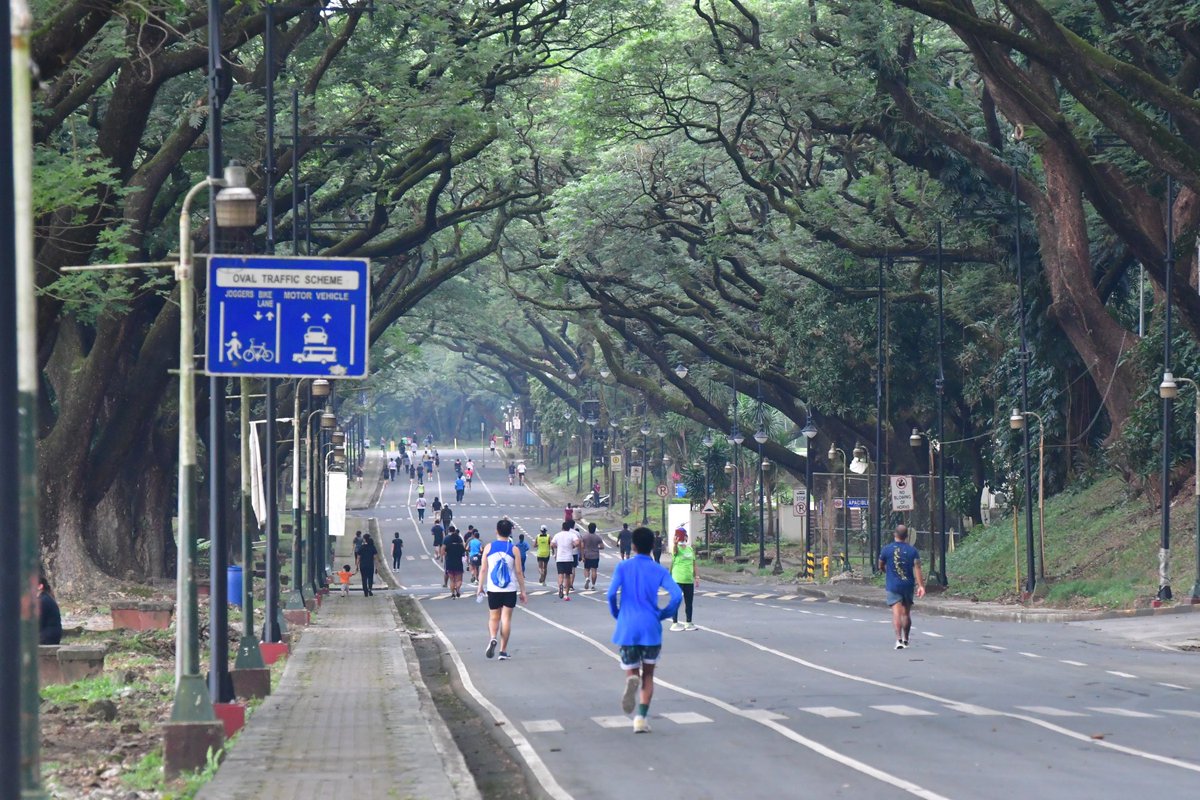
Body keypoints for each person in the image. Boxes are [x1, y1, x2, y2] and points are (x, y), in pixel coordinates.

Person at [607, 527, 682, 733]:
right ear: (653, 546)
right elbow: (677, 595)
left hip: (628, 627)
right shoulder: (659, 570)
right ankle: (640, 718)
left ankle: (632, 678)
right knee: (648, 675)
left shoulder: (623, 567)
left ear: (633, 545)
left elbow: (611, 594)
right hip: (651, 627)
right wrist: (664, 614)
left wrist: (617, 614)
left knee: (632, 670)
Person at [476, 519, 528, 660]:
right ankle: (503, 651)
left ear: (496, 531)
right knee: (506, 619)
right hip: (509, 589)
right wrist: (523, 590)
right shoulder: (514, 549)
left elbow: (484, 569)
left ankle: (493, 637)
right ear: (510, 532)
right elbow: (518, 572)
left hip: (493, 589)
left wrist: (480, 586)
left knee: (494, 617)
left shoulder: (488, 547)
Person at [879, 524, 926, 649]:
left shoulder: (886, 549)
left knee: (896, 613)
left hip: (893, 585)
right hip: (908, 585)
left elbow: (881, 565)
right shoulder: (912, 550)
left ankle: (898, 640)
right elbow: (917, 568)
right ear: (906, 536)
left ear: (895, 534)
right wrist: (921, 586)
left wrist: (886, 570)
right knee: (906, 613)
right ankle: (906, 639)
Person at [669, 528, 698, 631]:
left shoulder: (690, 549)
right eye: (682, 535)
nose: (684, 537)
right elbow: (675, 552)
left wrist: (696, 577)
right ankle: (675, 623)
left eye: (685, 535)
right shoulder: (676, 549)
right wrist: (675, 543)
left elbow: (694, 563)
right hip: (677, 579)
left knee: (689, 602)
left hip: (689, 580)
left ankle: (688, 622)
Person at [551, 522, 581, 600]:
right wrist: (573, 545)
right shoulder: (572, 535)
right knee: (567, 576)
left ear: (562, 527)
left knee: (560, 574)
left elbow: (552, 544)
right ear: (569, 528)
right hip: (569, 558)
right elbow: (578, 542)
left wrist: (557, 546)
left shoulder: (557, 535)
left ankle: (560, 585)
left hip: (560, 558)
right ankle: (566, 595)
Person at [580, 521, 606, 591]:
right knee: (594, 570)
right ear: (595, 529)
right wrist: (596, 548)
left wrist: (582, 556)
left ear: (588, 528)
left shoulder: (584, 537)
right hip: (595, 555)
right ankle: (593, 585)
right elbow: (602, 547)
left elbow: (582, 547)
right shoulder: (598, 537)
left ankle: (587, 578)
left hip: (587, 555)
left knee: (586, 569)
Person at [39, 572, 62, 645]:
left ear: (40, 586)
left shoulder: (43, 601)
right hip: (47, 636)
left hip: (47, 638)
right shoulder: (45, 598)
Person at [443, 527, 467, 597]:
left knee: (452, 580)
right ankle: (458, 589)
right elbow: (463, 553)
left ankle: (452, 593)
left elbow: (444, 551)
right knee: (459, 579)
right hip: (458, 564)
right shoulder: (460, 546)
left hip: (450, 563)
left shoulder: (449, 546)